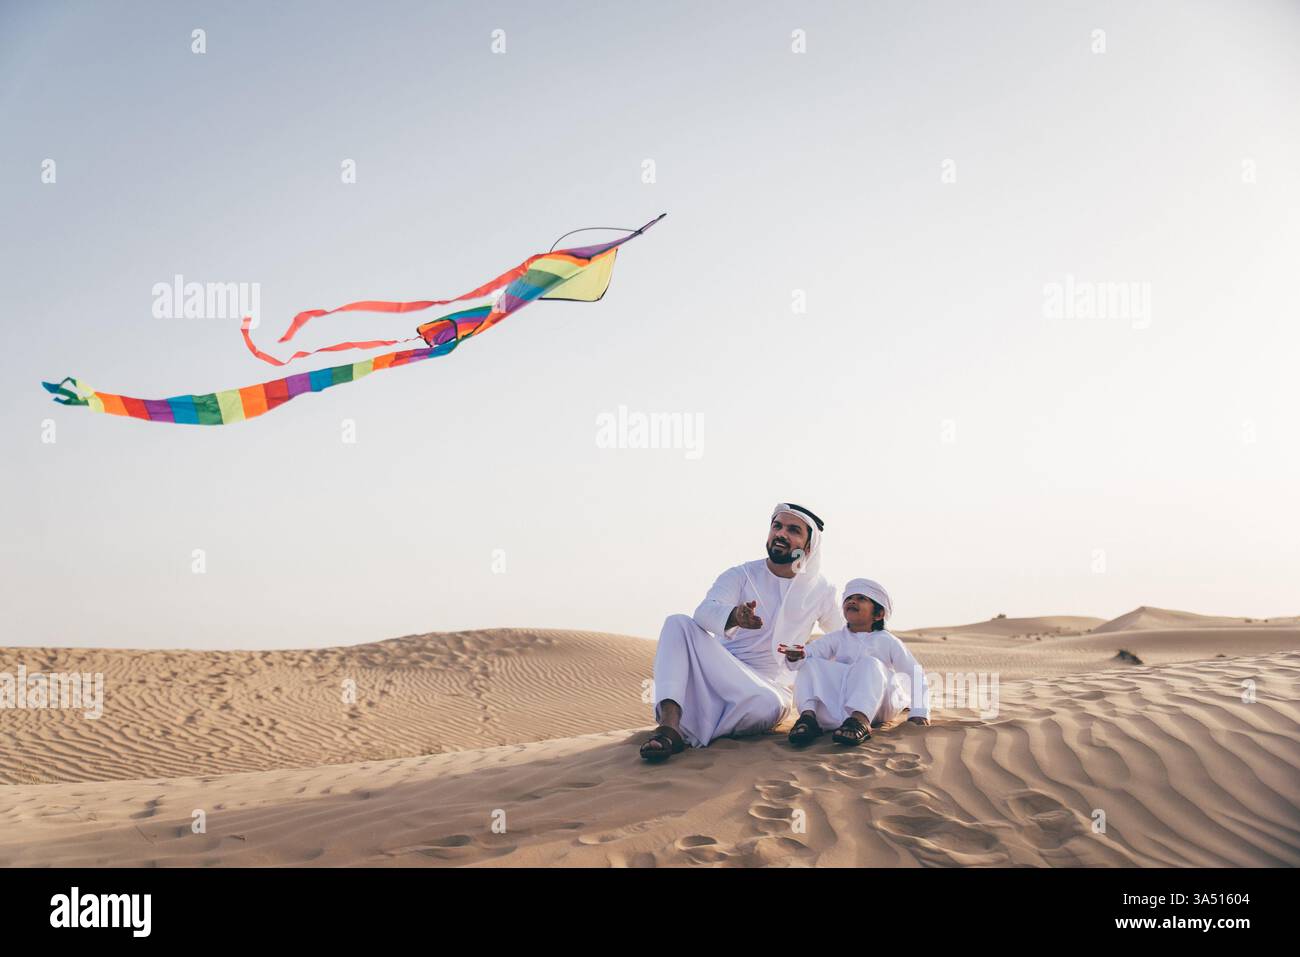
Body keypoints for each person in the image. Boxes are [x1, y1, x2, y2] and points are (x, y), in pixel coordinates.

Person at [640, 503, 844, 762]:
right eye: (777, 526)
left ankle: (699, 727)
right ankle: (669, 730)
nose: (781, 534)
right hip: (722, 670)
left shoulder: (820, 590)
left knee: (768, 705)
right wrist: (735, 616)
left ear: (808, 546)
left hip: (767, 688)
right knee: (677, 623)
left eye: (793, 530)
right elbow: (704, 613)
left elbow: (845, 636)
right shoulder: (741, 574)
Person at [784, 578, 931, 747]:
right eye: (849, 598)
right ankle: (808, 719)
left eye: (862, 598)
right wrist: (797, 655)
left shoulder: (888, 641)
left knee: (869, 664)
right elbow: (811, 652)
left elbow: (914, 674)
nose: (852, 601)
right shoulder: (836, 638)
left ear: (878, 614)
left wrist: (920, 712)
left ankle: (860, 720)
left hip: (879, 705)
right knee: (809, 663)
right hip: (840, 702)